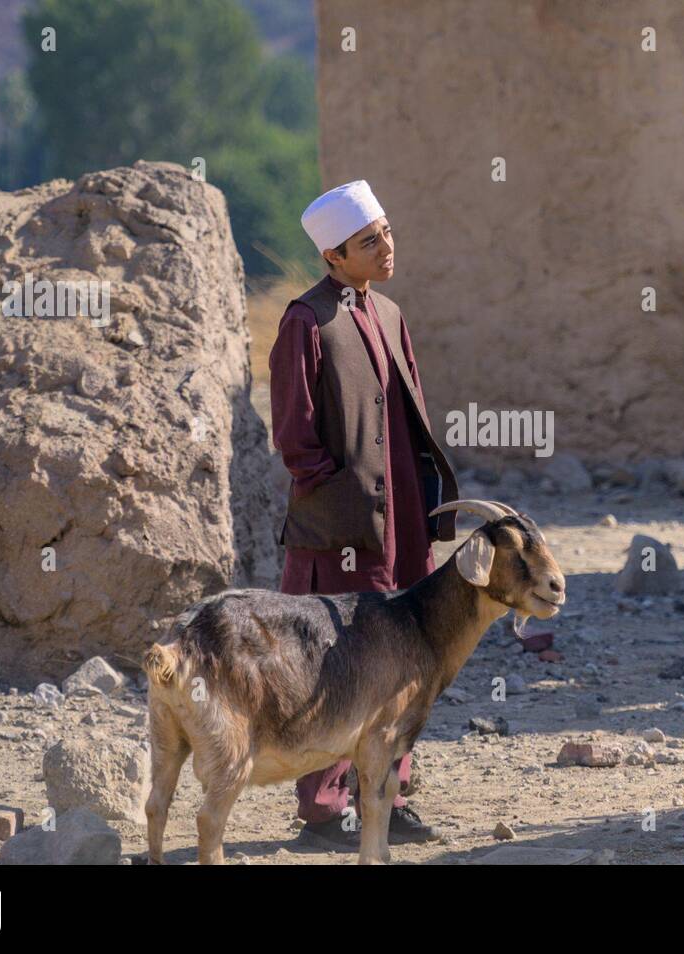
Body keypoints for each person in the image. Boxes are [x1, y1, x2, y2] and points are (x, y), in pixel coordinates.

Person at [268, 180, 458, 848]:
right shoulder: (305, 322)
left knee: (402, 663)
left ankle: (386, 795)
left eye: (387, 232)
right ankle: (323, 811)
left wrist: (423, 505)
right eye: (368, 240)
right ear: (332, 257)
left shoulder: (390, 313)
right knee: (333, 668)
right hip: (339, 533)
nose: (386, 247)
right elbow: (296, 439)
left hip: (401, 525)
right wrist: (341, 504)